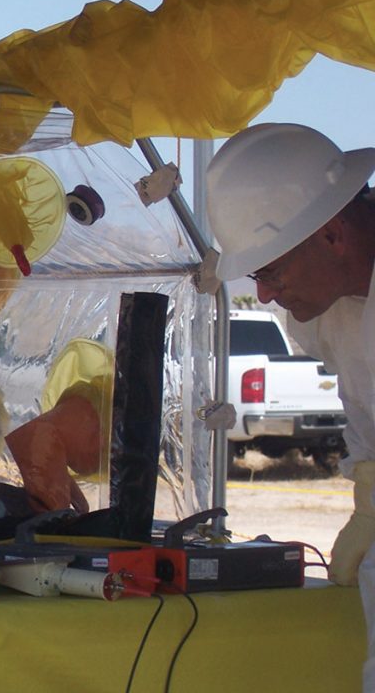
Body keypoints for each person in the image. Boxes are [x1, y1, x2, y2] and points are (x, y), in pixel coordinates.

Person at [206, 122, 375, 686]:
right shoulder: (325, 308)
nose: (268, 293)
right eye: (259, 275)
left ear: (332, 235)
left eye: (272, 269)